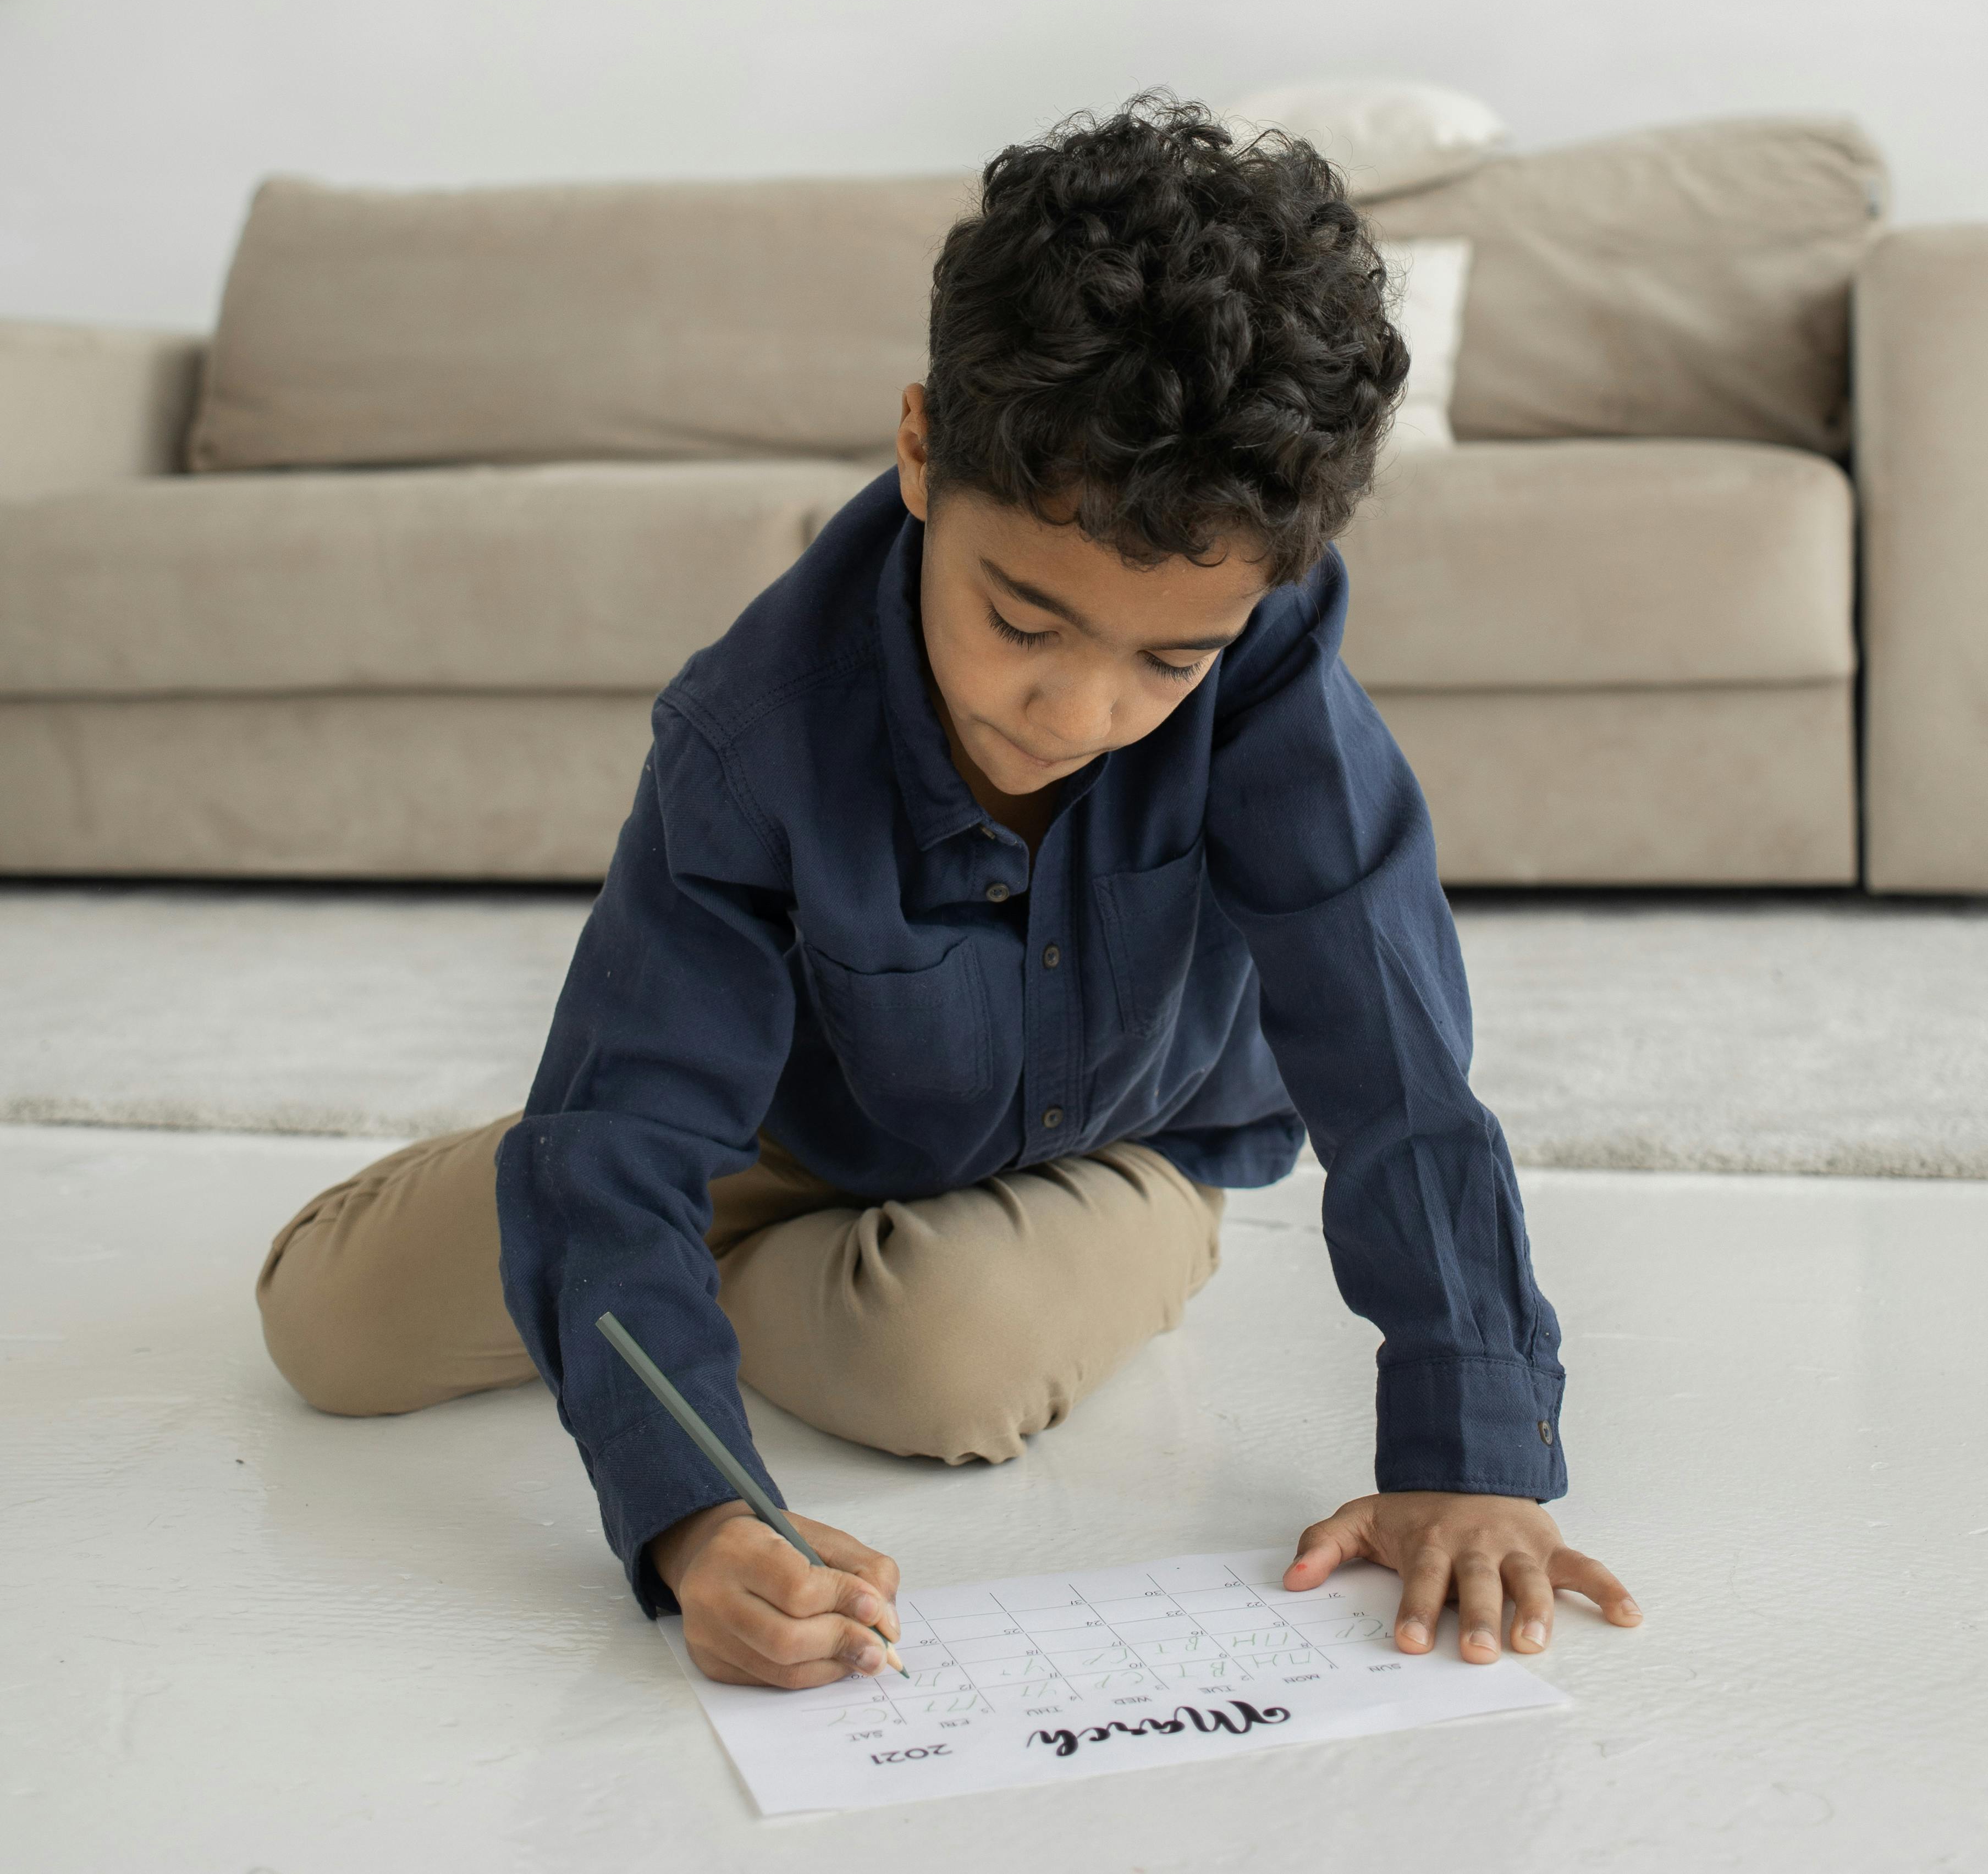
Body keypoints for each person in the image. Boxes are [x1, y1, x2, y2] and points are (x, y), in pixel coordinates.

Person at [258, 96, 1640, 1690]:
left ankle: (642, 1294)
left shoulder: (1268, 667)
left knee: (948, 1370)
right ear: (921, 452)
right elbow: (630, 1139)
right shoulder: (752, 736)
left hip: (1117, 1146)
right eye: (1025, 623)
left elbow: (1395, 1062)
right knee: (329, 1328)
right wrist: (697, 1509)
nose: (1081, 712)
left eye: (1167, 663)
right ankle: (644, 1273)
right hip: (791, 1129)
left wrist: (1472, 1453)